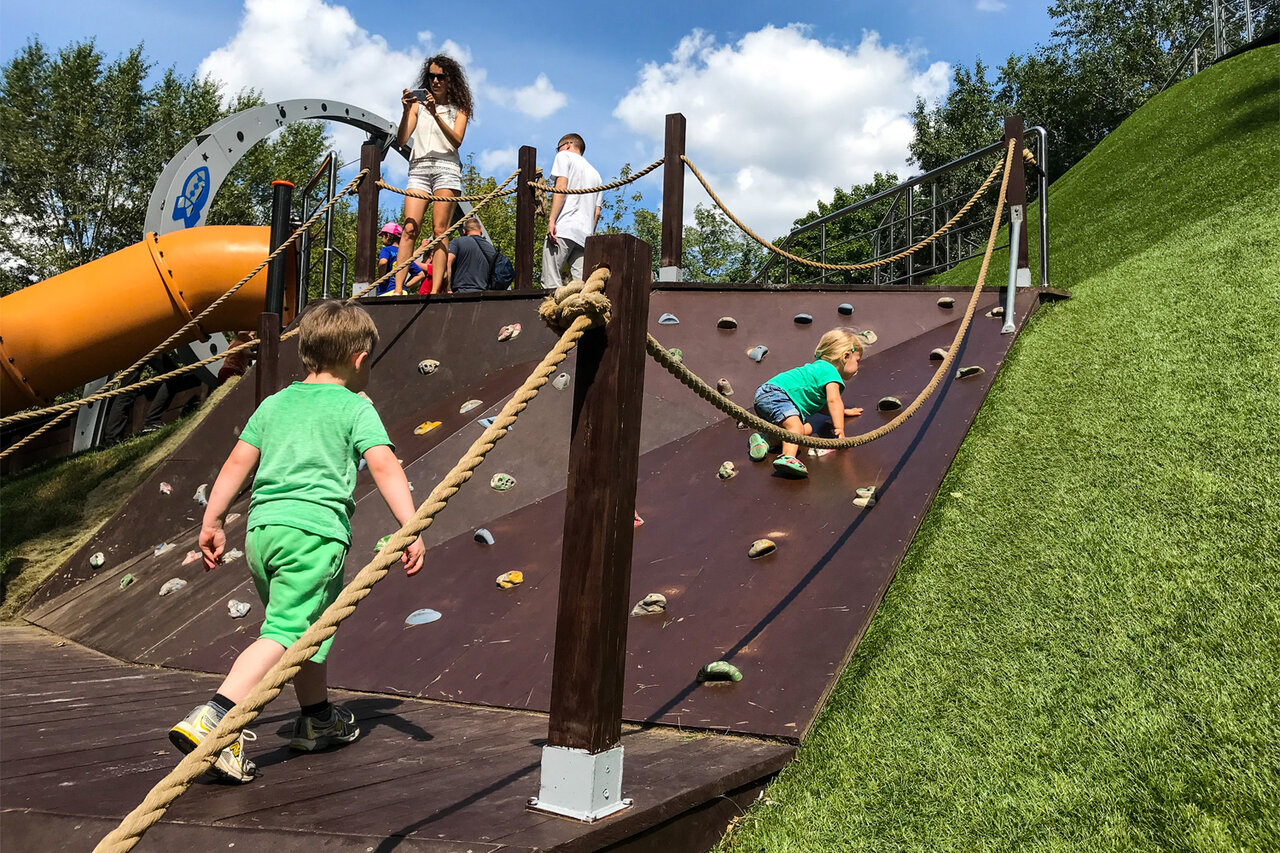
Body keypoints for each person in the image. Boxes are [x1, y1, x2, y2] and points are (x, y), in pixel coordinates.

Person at [168, 300, 425, 783]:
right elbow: (384, 464)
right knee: (284, 633)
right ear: (358, 359)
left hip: (264, 533)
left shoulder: (274, 404)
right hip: (313, 534)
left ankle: (317, 719)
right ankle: (215, 717)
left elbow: (236, 464)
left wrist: (213, 520)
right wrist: (411, 525)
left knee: (304, 629)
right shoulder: (355, 406)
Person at [395, 54, 472, 295]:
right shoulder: (418, 106)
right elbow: (402, 139)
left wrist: (435, 113)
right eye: (431, 76)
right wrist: (407, 110)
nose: (435, 81)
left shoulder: (459, 108)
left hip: (446, 170)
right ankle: (398, 289)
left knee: (440, 230)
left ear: (451, 80)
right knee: (409, 229)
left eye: (441, 76)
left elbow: (456, 141)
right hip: (418, 169)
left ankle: (436, 289)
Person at [748, 328, 866, 479]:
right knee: (795, 427)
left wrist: (842, 412)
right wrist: (839, 428)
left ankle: (766, 440)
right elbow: (833, 400)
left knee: (805, 430)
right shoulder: (830, 372)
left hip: (770, 397)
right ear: (846, 356)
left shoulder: (820, 369)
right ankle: (787, 458)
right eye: (857, 360)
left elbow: (823, 405)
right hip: (775, 393)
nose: (858, 366)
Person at [541, 133, 601, 290]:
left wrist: (552, 220)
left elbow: (561, 187)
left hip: (564, 228)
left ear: (567, 145)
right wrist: (589, 237)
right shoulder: (596, 175)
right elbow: (597, 212)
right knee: (582, 288)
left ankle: (552, 313)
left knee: (551, 282)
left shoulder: (564, 156)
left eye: (558, 148)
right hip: (584, 237)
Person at [447, 217, 497, 293]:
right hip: (483, 294)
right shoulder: (490, 247)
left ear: (463, 231)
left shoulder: (457, 242)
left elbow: (448, 262)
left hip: (461, 292)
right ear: (480, 230)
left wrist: (448, 288)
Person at [375, 222, 425, 296]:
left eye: (382, 235)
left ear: (388, 235)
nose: (382, 239)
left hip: (387, 292)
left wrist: (382, 278)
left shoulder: (386, 250)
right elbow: (421, 275)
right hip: (402, 292)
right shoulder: (405, 255)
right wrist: (405, 285)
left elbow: (383, 262)